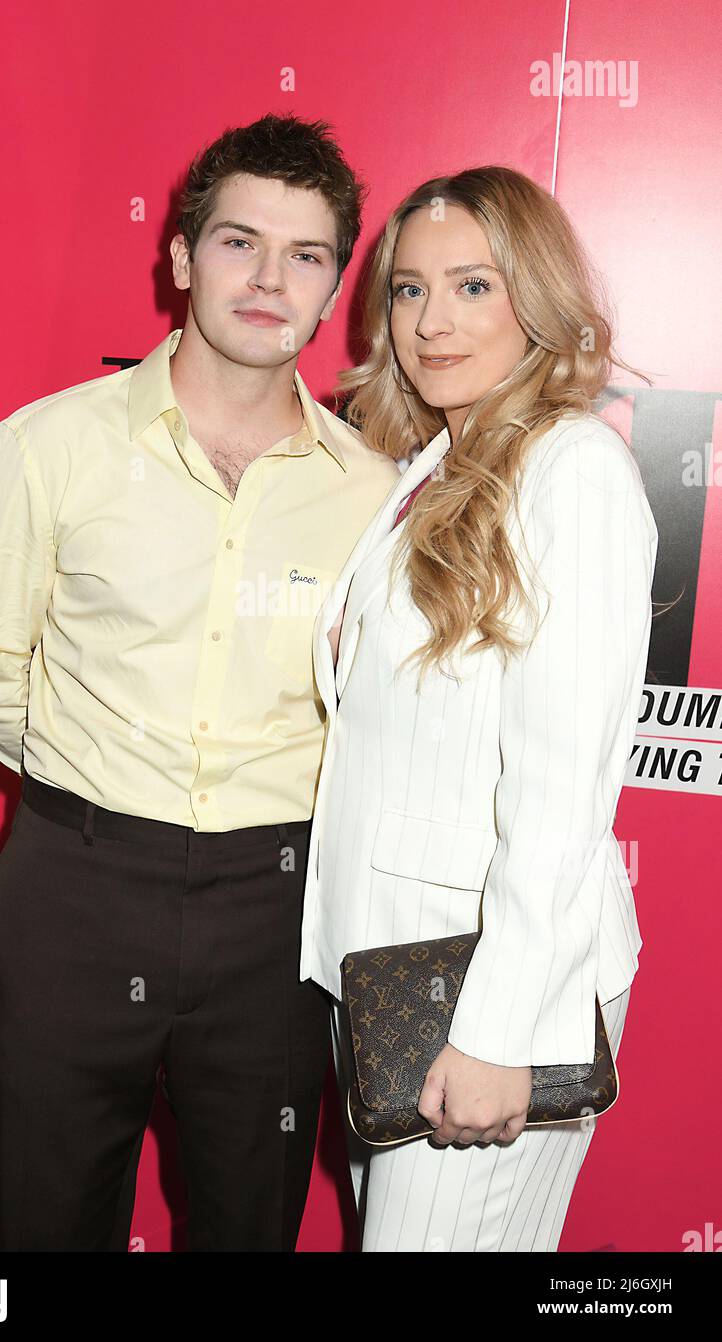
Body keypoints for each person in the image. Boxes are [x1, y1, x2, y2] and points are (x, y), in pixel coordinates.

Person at [0, 112, 400, 1251]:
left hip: (275, 918)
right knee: (37, 1221)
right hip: (74, 892)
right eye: (239, 243)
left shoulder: (373, 489)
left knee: (250, 1227)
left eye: (304, 256)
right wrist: (107, 785)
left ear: (335, 289)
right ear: (182, 258)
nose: (267, 278)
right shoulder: (49, 446)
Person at [299, 165, 658, 1252]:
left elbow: (562, 788)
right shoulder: (431, 467)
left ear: (536, 301)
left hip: (484, 997)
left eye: (470, 286)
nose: (431, 321)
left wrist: (502, 1029)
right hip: (393, 985)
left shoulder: (572, 471)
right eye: (408, 291)